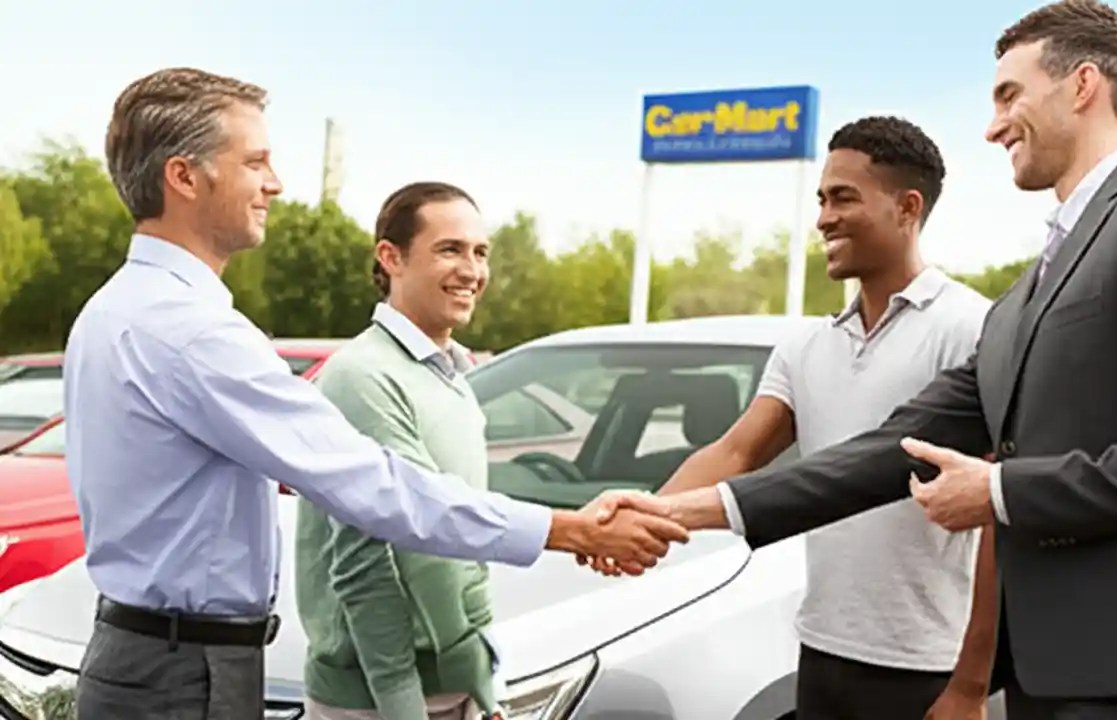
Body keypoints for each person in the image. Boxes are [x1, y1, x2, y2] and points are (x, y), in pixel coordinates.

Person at [616, 1, 1117, 718]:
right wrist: (678, 511)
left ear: (1084, 85)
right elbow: (886, 452)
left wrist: (1001, 492)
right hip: (1048, 679)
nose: (993, 127)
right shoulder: (1027, 294)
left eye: (1009, 96)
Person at [64, 67, 685, 719]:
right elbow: (369, 485)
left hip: (153, 658)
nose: (275, 183)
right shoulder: (191, 331)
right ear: (184, 177)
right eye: (255, 161)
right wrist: (567, 529)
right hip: (185, 676)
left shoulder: (116, 309)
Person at [651, 117, 996, 720]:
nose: (824, 218)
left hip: (928, 664)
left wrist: (971, 685)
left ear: (907, 208)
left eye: (843, 198)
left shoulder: (971, 328)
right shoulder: (806, 346)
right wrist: (637, 517)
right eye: (820, 200)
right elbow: (735, 453)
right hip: (820, 653)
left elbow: (997, 516)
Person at [295, 181, 510, 720]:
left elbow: (462, 544)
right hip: (377, 701)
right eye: (450, 250)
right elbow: (363, 561)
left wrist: (483, 688)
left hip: (451, 688)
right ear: (391, 258)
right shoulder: (363, 376)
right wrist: (401, 705)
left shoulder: (451, 373)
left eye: (480, 252)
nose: (471, 270)